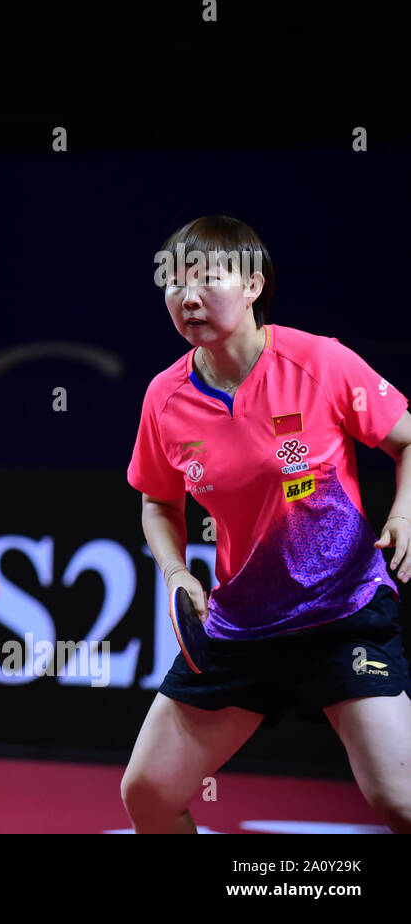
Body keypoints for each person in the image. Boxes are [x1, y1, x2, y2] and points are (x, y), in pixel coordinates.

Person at [122, 215, 411, 833]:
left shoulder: (319, 362)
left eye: (206, 278)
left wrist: (405, 512)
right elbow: (157, 502)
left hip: (343, 615)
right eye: (174, 283)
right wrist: (176, 572)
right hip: (241, 628)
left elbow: (409, 439)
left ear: (253, 285)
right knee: (146, 792)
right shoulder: (164, 398)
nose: (187, 296)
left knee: (401, 799)